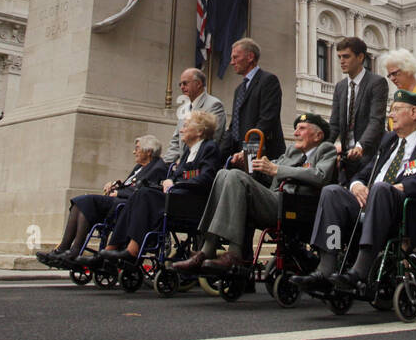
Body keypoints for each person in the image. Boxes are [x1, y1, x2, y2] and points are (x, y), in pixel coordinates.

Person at [294, 90, 416, 295]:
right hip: (369, 202)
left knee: (380, 189)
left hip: (405, 209)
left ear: (414, 112)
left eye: (396, 110)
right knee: (331, 192)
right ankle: (326, 268)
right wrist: (357, 185)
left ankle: (360, 270)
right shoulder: (388, 142)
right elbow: (364, 173)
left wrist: (405, 186)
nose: (391, 115)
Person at [173, 113, 338, 272]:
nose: (295, 133)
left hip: (295, 207)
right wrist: (248, 161)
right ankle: (207, 249)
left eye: (302, 128)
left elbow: (320, 176)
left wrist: (277, 169)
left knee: (236, 177)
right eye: (296, 129)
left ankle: (234, 253)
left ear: (318, 135)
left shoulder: (325, 149)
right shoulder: (292, 152)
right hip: (275, 200)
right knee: (224, 174)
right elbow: (267, 167)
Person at [96, 111, 223, 267]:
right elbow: (177, 175)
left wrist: (176, 184)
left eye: (185, 126)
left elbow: (206, 178)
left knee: (144, 195)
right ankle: (112, 248)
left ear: (199, 131)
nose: (181, 130)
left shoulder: (209, 148)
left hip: (192, 203)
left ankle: (132, 250)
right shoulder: (188, 152)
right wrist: (169, 180)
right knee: (138, 194)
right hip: (177, 197)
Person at [38, 136, 167, 264]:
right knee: (81, 202)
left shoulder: (158, 167)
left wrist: (119, 192)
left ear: (149, 151)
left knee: (86, 201)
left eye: (137, 148)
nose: (134, 152)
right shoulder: (139, 167)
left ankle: (75, 251)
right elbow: (130, 184)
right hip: (118, 200)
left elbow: (144, 191)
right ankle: (63, 248)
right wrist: (115, 185)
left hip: (126, 204)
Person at [328, 37, 388, 186]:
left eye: (346, 56)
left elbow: (376, 120)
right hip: (345, 160)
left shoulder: (377, 83)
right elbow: (334, 125)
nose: (341, 61)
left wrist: (360, 146)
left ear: (360, 57)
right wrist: (321, 149)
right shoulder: (340, 87)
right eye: (339, 57)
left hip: (368, 156)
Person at [222, 38, 285, 164]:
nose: (231, 63)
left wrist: (248, 151)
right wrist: (219, 153)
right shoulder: (239, 90)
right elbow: (234, 125)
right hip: (238, 156)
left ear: (250, 57)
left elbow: (267, 120)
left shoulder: (268, 81)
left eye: (235, 57)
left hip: (261, 157)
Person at [165, 69, 226, 163]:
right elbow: (176, 140)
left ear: (198, 84)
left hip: (200, 164)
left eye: (185, 83)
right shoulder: (184, 108)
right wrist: (166, 164)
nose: (182, 87)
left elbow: (212, 137)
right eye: (180, 84)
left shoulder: (214, 105)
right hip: (183, 165)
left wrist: (189, 162)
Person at [381, 48, 416, 129]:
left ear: (408, 68)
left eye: (395, 73)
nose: (392, 78)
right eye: (389, 75)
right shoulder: (396, 101)